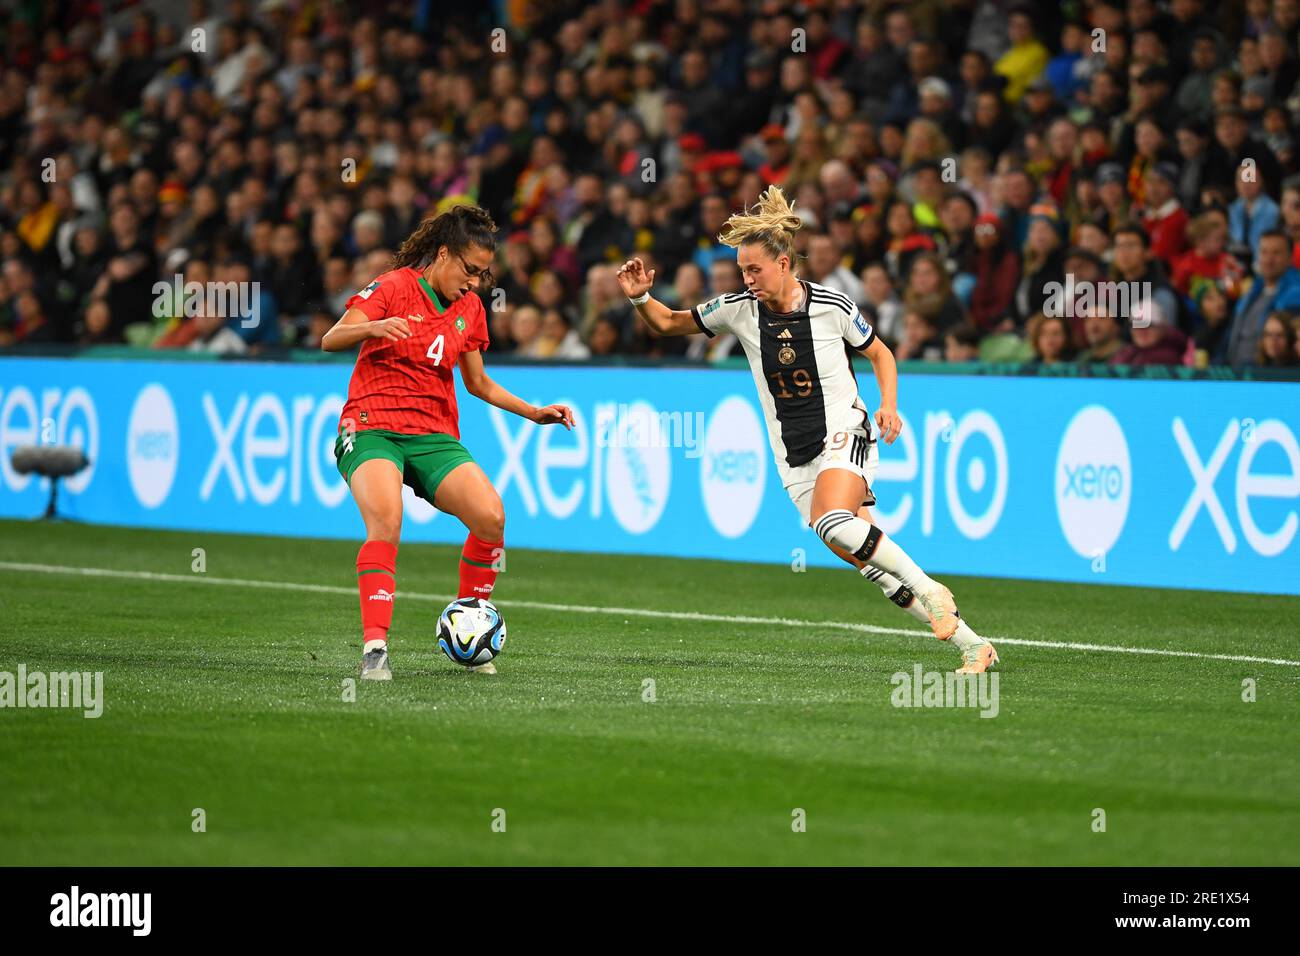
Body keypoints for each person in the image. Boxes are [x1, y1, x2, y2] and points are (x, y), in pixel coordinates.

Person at [615, 186, 997, 674]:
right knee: (874, 569)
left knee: (831, 521)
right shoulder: (738, 309)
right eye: (742, 270)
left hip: (845, 430)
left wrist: (889, 406)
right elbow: (669, 323)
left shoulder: (832, 305)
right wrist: (641, 297)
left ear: (783, 264)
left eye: (755, 269)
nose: (747, 279)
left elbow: (880, 352)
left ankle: (931, 588)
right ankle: (974, 646)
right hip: (792, 455)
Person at [321, 203, 574, 680]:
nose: (474, 282)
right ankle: (375, 650)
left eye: (482, 274)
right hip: (371, 427)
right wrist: (374, 326)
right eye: (469, 270)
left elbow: (478, 384)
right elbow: (333, 337)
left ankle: (470, 627)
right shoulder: (393, 286)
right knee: (386, 524)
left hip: (433, 435)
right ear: (442, 254)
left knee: (491, 517)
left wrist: (533, 412)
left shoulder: (471, 309)